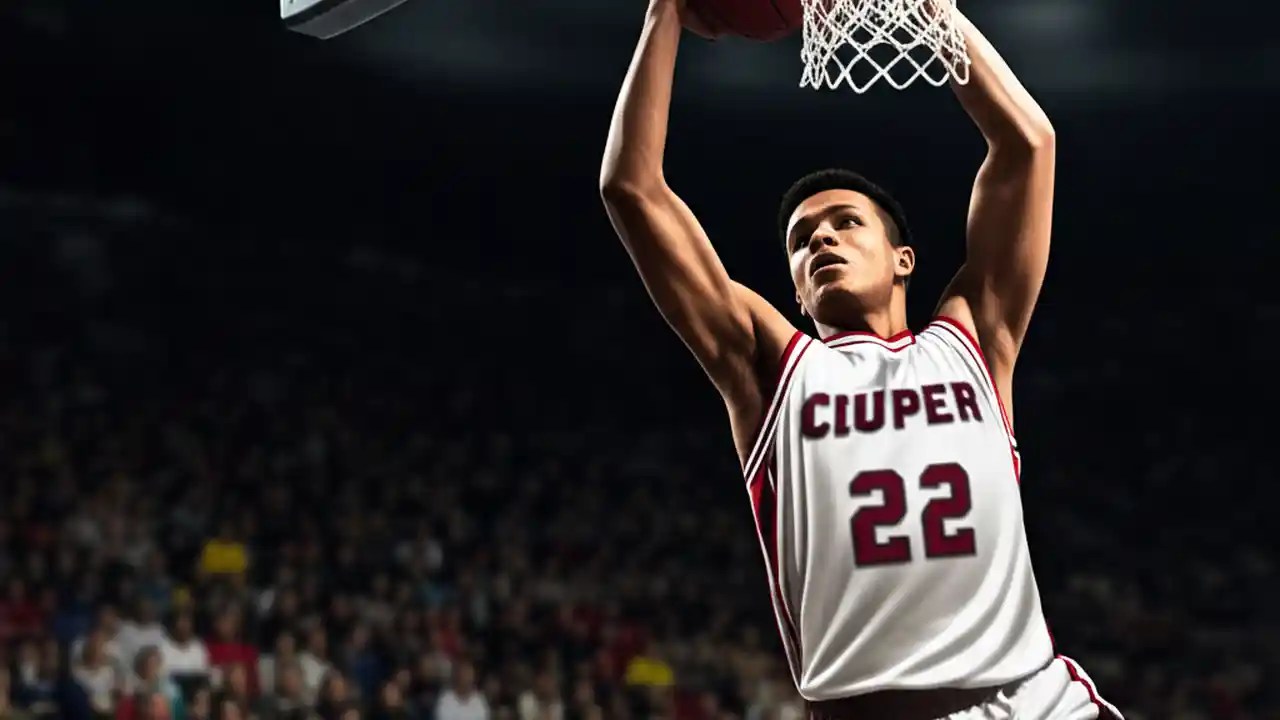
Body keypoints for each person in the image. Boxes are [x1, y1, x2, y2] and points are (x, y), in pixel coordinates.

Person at [598, 1, 1123, 718]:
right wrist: (664, 12)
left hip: (1035, 700)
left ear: (904, 259)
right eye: (801, 238)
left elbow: (1028, 144)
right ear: (794, 290)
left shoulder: (973, 337)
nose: (821, 240)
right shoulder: (772, 369)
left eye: (846, 223)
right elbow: (631, 189)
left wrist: (931, 13)